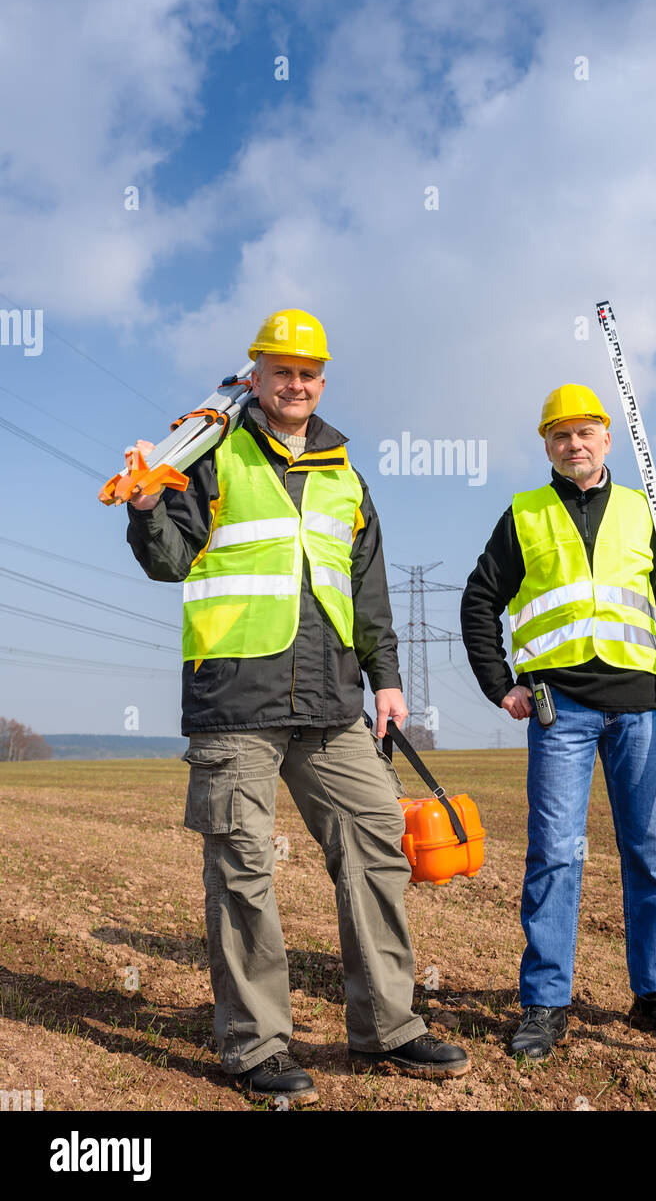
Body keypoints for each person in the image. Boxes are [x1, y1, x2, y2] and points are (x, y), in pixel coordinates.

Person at [122, 308, 469, 1102]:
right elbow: (170, 564)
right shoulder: (209, 453)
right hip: (235, 699)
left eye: (309, 371)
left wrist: (385, 680)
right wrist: (146, 508)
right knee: (244, 871)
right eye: (282, 370)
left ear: (322, 379)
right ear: (255, 375)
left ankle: (388, 1028)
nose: (296, 383)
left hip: (332, 701)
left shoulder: (346, 473)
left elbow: (368, 589)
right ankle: (253, 1047)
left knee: (378, 845)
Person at [460, 384, 656, 1060]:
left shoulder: (643, 510)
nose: (574, 445)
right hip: (559, 707)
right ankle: (545, 1004)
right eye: (560, 436)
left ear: (606, 438)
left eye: (585, 433)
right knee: (554, 856)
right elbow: (478, 600)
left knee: (649, 855)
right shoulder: (523, 514)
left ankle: (655, 994)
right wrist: (501, 686)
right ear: (546, 445)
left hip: (639, 704)